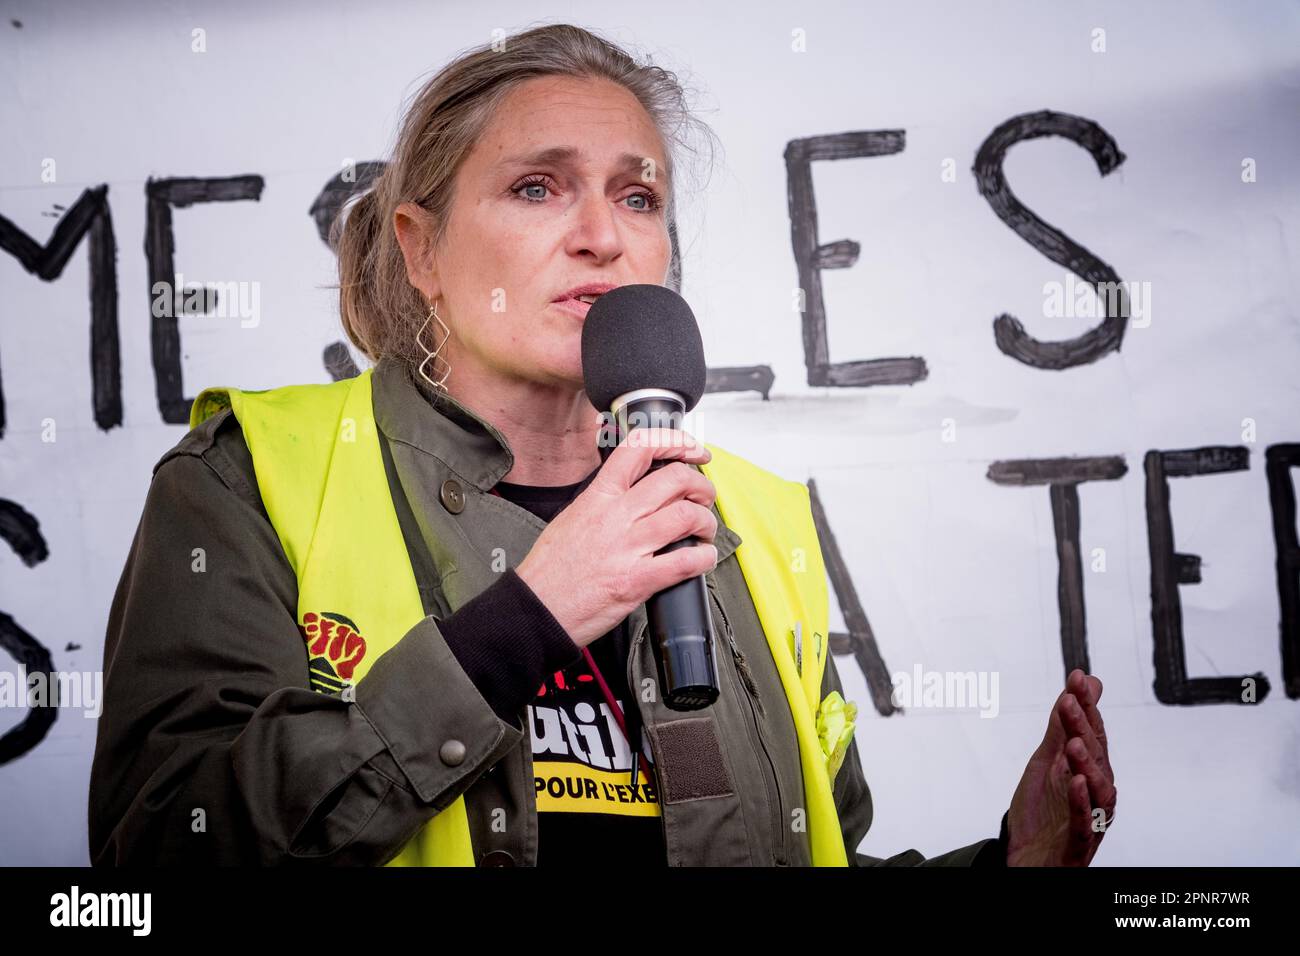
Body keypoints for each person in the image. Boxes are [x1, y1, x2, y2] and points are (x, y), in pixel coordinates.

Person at [88, 23, 1115, 867]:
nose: (603, 234)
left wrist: (1010, 863)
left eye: (638, 195)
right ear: (421, 248)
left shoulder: (746, 517)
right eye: (538, 186)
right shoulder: (250, 475)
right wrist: (525, 620)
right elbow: (160, 849)